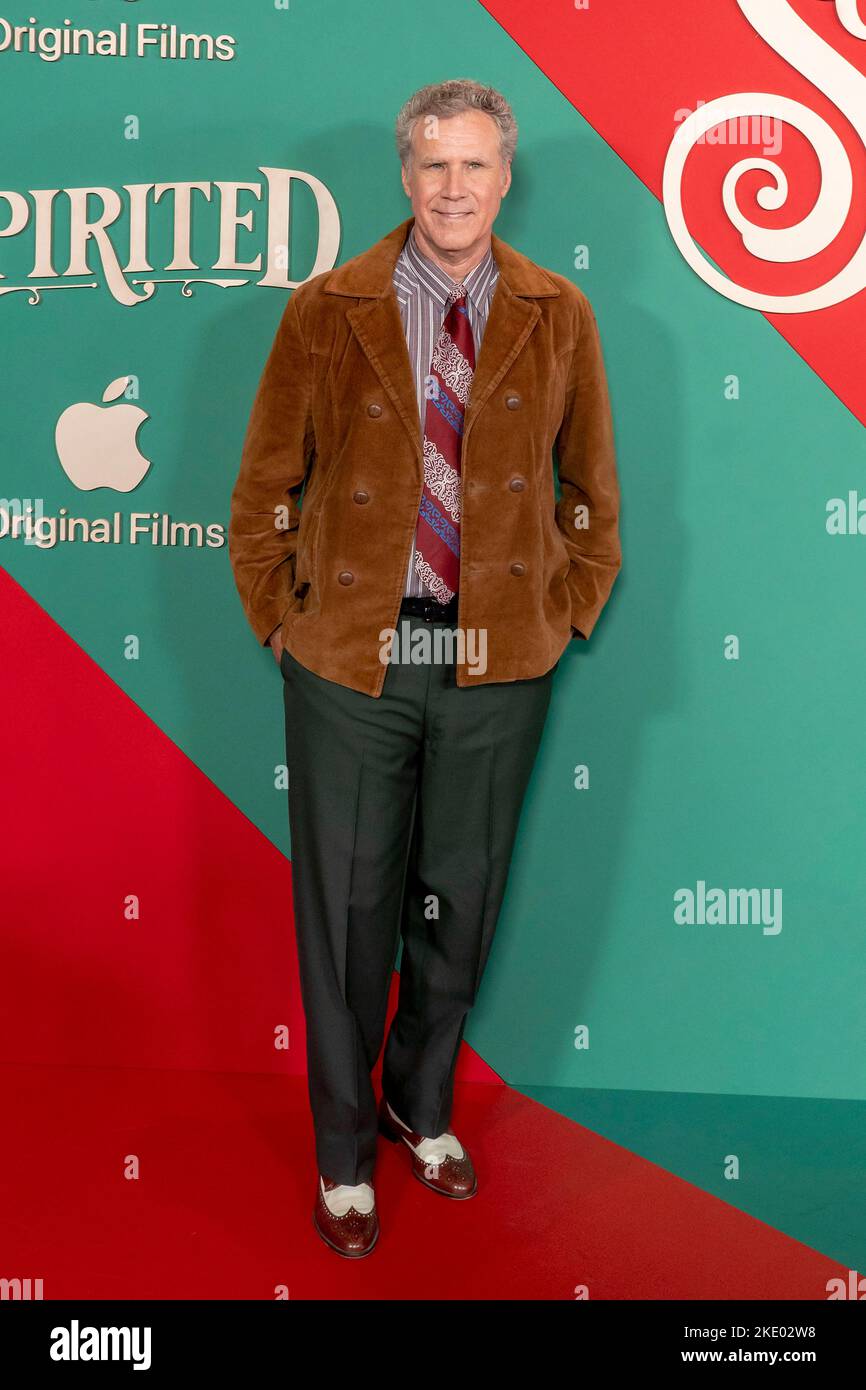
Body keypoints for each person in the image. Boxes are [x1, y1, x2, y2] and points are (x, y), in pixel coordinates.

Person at [229, 78, 621, 1258]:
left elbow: (588, 490)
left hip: (494, 656)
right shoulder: (326, 307)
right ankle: (344, 1154)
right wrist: (282, 622)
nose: (454, 188)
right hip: (356, 654)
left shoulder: (561, 312)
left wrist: (565, 605)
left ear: (506, 179)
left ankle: (419, 1103)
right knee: (349, 916)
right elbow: (262, 492)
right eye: (433, 166)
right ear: (405, 177)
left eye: (475, 168)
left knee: (457, 900)